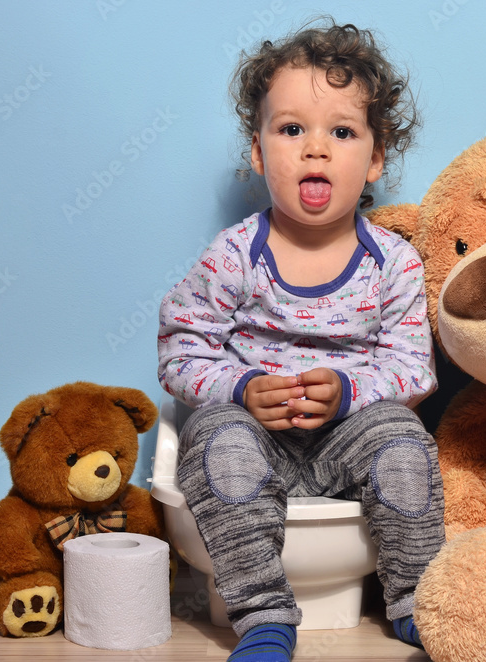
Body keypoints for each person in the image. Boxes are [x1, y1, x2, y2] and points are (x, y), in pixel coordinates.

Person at [157, 19, 444, 662]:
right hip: (257, 440)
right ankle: (262, 616)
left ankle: (418, 600)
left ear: (373, 158)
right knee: (216, 439)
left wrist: (349, 393)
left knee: (405, 443)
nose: (315, 150)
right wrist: (238, 388)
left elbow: (411, 367)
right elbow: (181, 348)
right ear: (259, 152)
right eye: (291, 130)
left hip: (349, 436)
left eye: (341, 132)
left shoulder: (393, 261)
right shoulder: (235, 256)